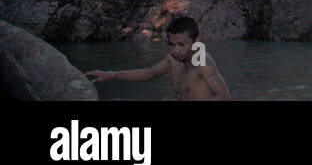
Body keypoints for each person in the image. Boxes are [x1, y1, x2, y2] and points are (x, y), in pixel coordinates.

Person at [86, 16, 231, 100]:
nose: (176, 50)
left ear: (196, 41)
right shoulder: (173, 60)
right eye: (171, 44)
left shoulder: (203, 62)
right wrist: (112, 74)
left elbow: (224, 98)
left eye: (182, 44)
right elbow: (149, 73)